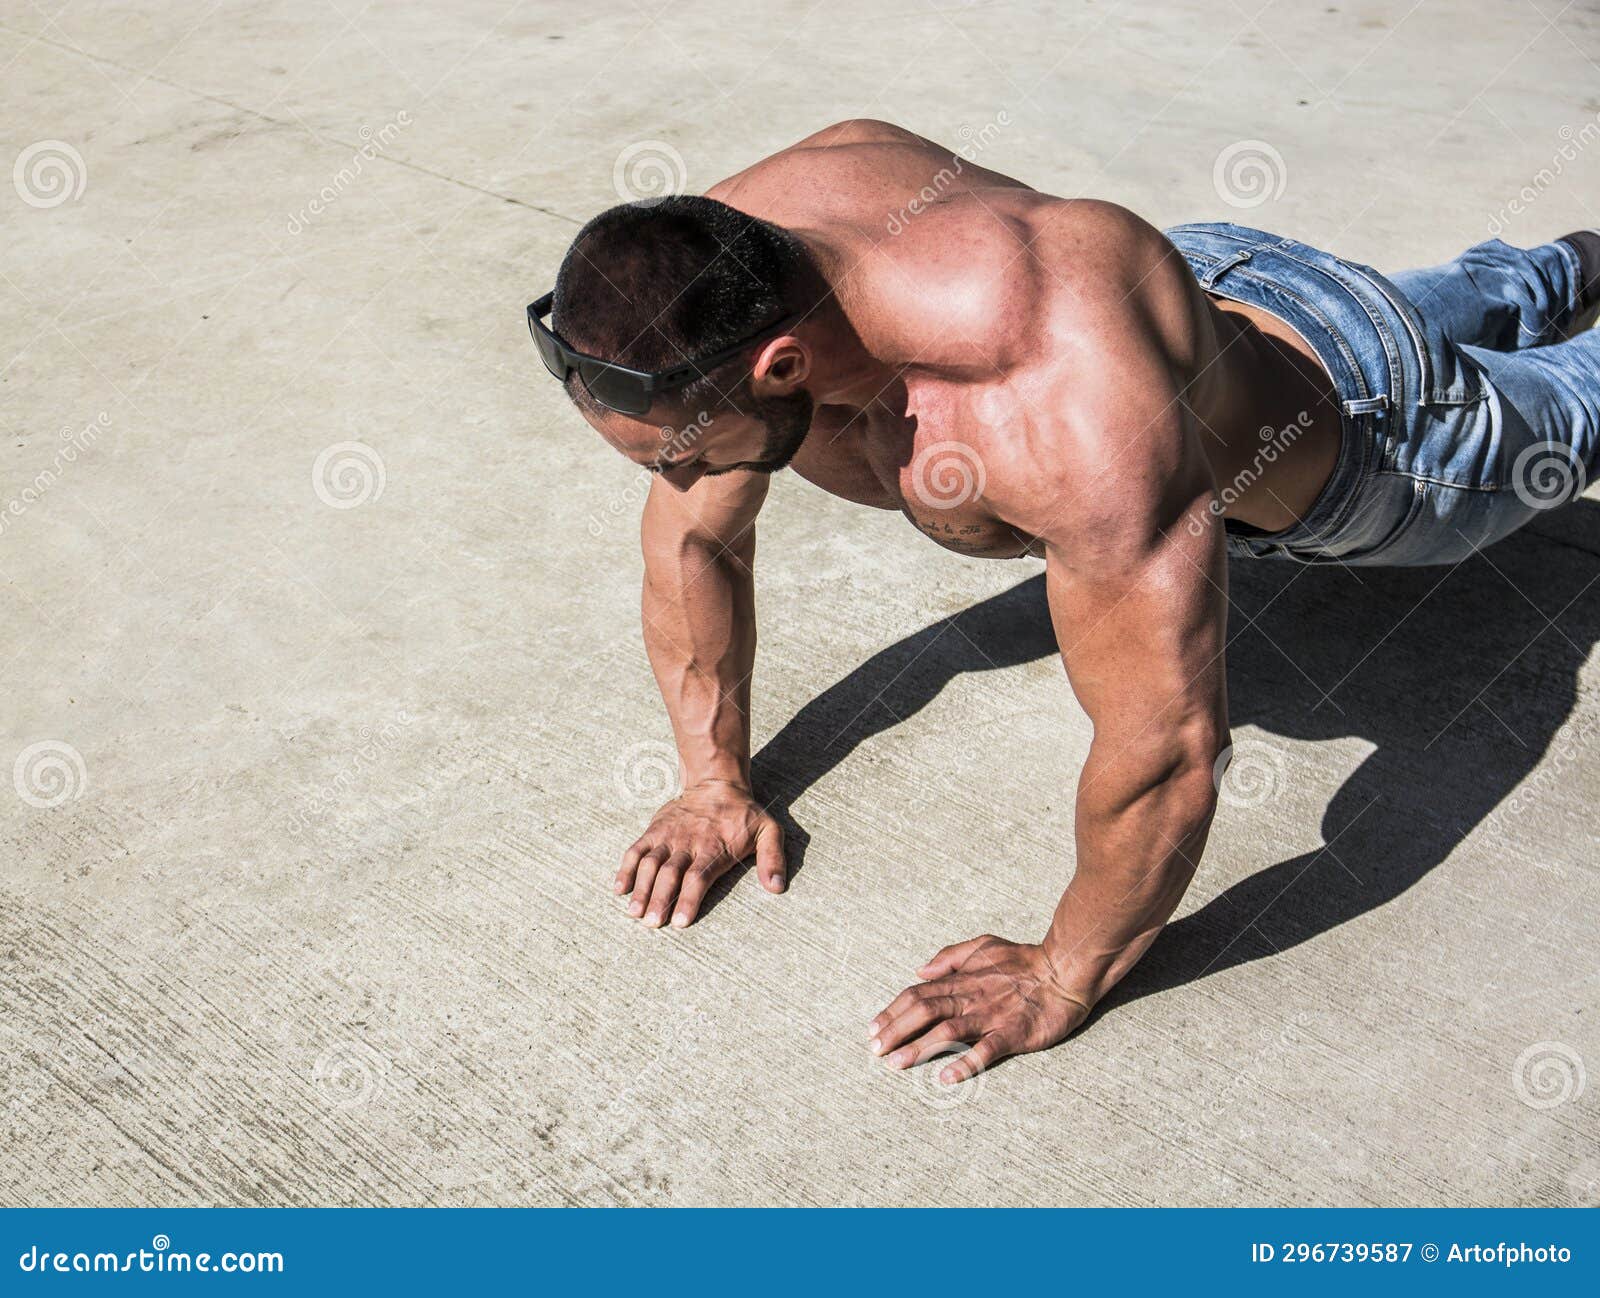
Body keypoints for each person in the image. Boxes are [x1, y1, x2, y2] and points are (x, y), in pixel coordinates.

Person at [527, 119, 1600, 1084]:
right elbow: (693, 541)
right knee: (1484, 293)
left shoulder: (1052, 398)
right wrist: (712, 780)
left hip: (1384, 438)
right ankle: (1556, 267)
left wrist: (1062, 971)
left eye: (678, 451)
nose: (674, 475)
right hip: (1222, 282)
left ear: (781, 364)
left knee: (1571, 398)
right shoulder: (715, 263)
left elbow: (1168, 745)